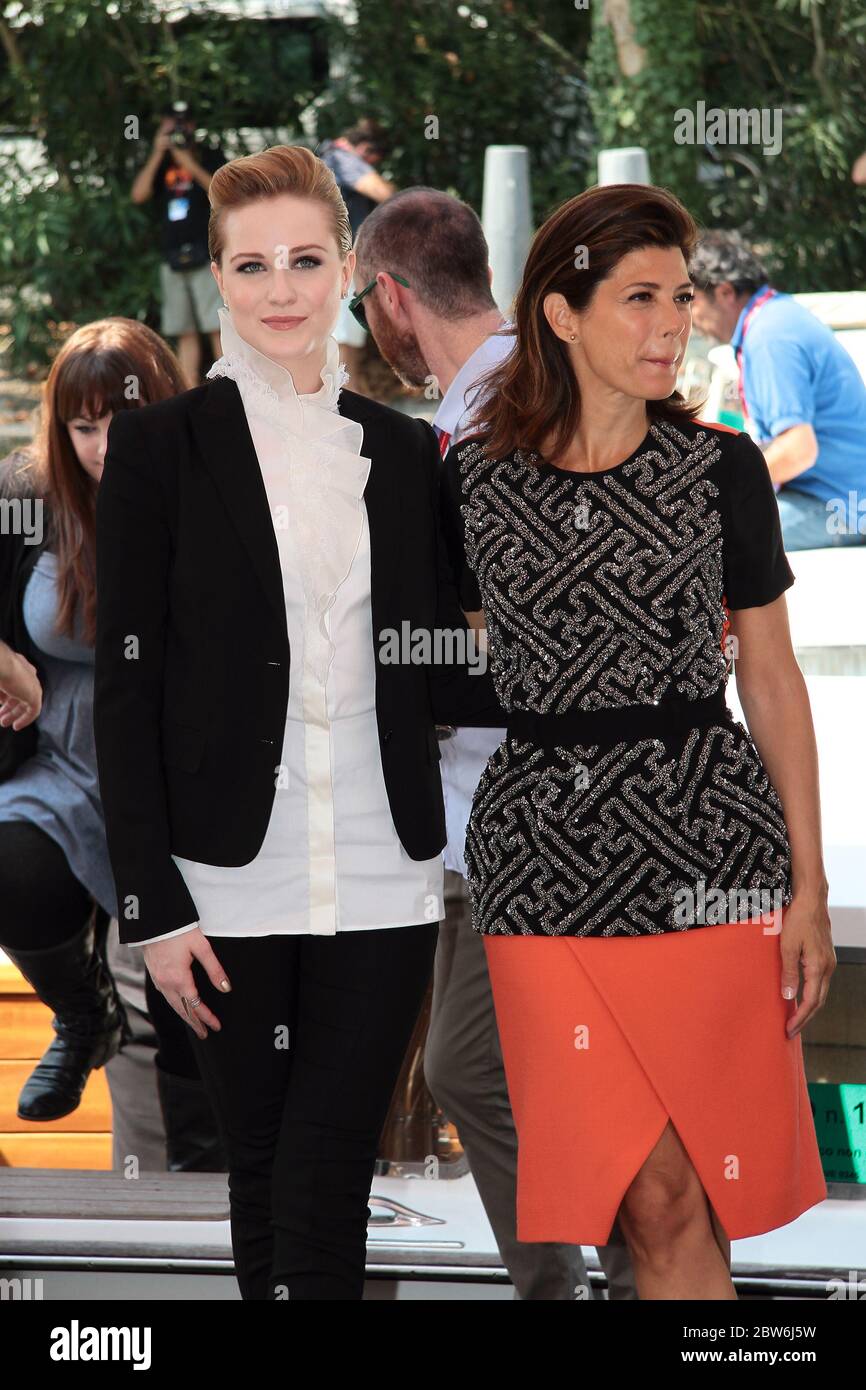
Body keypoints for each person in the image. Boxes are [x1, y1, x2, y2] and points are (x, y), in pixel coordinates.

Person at [92, 144, 506, 1301]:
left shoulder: (402, 448)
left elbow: (434, 667)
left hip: (380, 869)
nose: (280, 288)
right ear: (216, 278)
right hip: (222, 883)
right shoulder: (160, 449)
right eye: (252, 264)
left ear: (346, 276)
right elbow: (126, 689)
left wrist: (612, 669)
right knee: (265, 1169)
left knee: (326, 1165)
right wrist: (151, 906)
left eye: (306, 261)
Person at [438, 182, 834, 1300]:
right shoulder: (469, 481)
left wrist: (804, 889)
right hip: (538, 863)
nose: (672, 322)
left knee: (689, 1191)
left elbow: (771, 677)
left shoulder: (720, 471)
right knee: (634, 1190)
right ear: (560, 315)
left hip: (706, 854)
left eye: (678, 295)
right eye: (639, 298)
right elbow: (440, 659)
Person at [353, 186, 638, 1300]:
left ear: (389, 297)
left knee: (471, 1068)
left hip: (512, 813)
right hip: (552, 807)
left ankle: (569, 1279)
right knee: (536, 1066)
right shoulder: (549, 378)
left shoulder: (483, 421)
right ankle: (604, 1270)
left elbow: (513, 636)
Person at [0, 319, 189, 1122]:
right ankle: (84, 1016)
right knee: (8, 861)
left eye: (124, 421)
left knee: (194, 1034)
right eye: (85, 427)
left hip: (179, 772)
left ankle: (204, 1170)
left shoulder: (215, 491)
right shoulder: (26, 494)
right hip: (60, 764)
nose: (105, 445)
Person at [690, 230, 866, 550]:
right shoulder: (777, 317)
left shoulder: (770, 337)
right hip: (837, 496)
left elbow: (799, 449)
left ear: (726, 292)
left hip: (842, 505)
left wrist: (721, 490)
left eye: (690, 299)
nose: (689, 317)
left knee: (702, 535)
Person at [131, 103, 227, 388]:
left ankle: (229, 389)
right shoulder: (161, 161)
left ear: (193, 125)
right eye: (172, 124)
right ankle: (187, 393)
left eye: (182, 124)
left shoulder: (209, 154)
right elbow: (138, 195)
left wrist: (188, 162)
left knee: (216, 326)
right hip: (172, 255)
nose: (178, 130)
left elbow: (221, 193)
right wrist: (159, 152)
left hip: (206, 252)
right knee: (184, 331)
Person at [317, 120, 396, 382]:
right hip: (340, 260)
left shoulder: (326, 156)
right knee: (342, 337)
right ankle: (341, 403)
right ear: (364, 149)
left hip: (329, 259)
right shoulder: (343, 159)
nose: (371, 166)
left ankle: (348, 398)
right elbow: (383, 191)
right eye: (372, 160)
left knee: (343, 336)